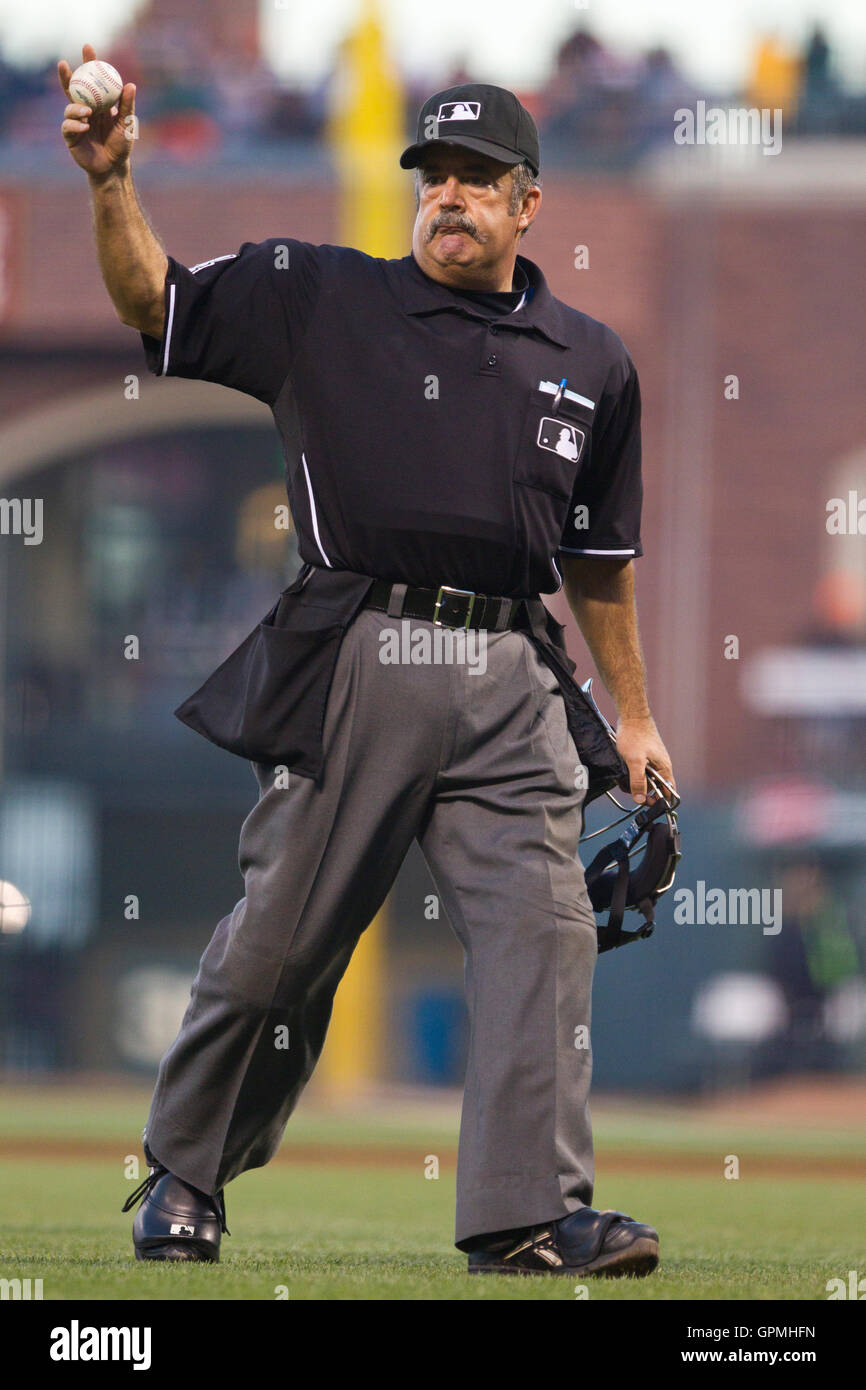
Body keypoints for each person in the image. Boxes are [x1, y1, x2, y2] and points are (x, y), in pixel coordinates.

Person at [59, 47, 675, 1278]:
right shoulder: (319, 293)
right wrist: (112, 182)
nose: (448, 194)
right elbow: (153, 303)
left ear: (525, 202)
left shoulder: (591, 357)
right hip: (360, 649)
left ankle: (523, 1214)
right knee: (282, 945)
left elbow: (598, 564)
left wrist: (638, 719)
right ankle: (182, 1175)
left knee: (544, 937)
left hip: (515, 674)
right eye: (432, 173)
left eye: (476, 176)